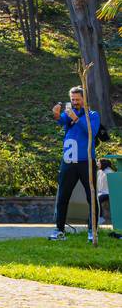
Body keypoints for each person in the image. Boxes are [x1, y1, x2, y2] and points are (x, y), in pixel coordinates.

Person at [50, 85, 103, 241]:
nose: (74, 102)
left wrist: (76, 118)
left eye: (77, 100)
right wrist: (57, 114)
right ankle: (59, 230)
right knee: (63, 196)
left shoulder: (92, 115)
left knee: (91, 196)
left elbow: (91, 131)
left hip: (86, 161)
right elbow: (61, 121)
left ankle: (92, 231)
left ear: (84, 99)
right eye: (72, 99)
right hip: (68, 160)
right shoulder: (69, 113)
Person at [98, 159, 115, 225]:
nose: (97, 164)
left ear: (103, 164)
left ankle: (100, 217)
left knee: (98, 199)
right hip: (101, 192)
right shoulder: (99, 172)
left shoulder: (110, 172)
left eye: (99, 163)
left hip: (108, 193)